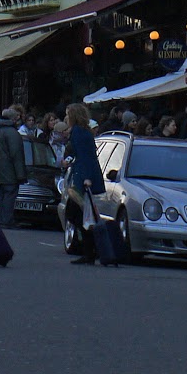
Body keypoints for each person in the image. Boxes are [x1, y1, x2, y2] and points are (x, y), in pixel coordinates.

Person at [63, 102, 105, 266]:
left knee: (77, 214)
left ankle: (90, 250)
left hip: (83, 178)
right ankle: (89, 250)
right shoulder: (83, 131)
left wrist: (86, 178)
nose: (66, 117)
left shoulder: (78, 132)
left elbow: (85, 157)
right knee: (79, 214)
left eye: (68, 114)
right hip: (82, 174)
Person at [0, 107, 27, 229]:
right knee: (10, 195)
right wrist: (21, 174)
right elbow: (16, 154)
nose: (19, 120)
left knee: (2, 196)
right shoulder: (12, 132)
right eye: (17, 117)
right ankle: (7, 220)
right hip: (10, 171)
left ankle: (2, 219)